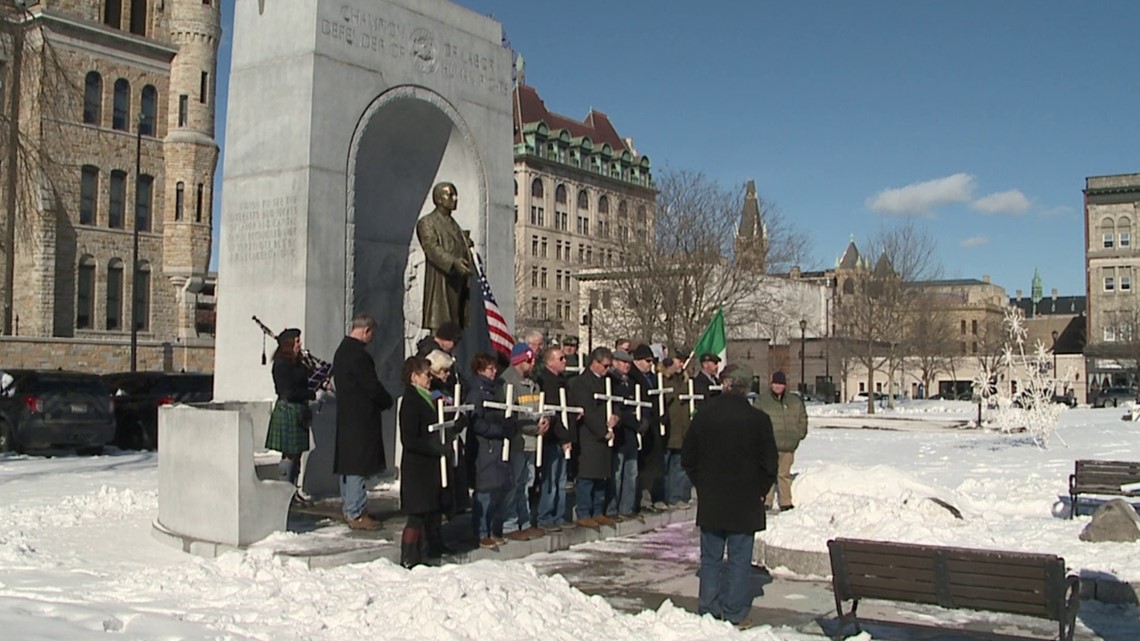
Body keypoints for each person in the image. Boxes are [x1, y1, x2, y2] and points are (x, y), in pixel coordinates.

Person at [682, 365, 778, 629]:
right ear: (747, 388)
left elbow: (688, 457)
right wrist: (761, 490)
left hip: (713, 498)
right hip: (746, 500)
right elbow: (770, 463)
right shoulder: (759, 420)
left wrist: (702, 484)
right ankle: (734, 612)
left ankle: (708, 609)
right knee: (739, 560)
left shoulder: (704, 415)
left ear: (725, 384)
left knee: (711, 558)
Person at [332, 313, 393, 531]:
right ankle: (356, 512)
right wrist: (386, 400)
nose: (372, 338)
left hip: (347, 414)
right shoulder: (358, 355)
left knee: (348, 464)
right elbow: (371, 385)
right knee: (357, 465)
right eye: (372, 334)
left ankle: (350, 508)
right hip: (361, 417)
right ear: (366, 330)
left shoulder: (342, 351)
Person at [398, 355, 457, 567]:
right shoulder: (411, 401)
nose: (430, 378)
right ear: (414, 377)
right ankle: (408, 556)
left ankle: (430, 548)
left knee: (432, 511)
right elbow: (409, 439)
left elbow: (438, 424)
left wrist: (455, 425)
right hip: (417, 467)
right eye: (426, 375)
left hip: (430, 466)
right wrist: (434, 447)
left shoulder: (428, 397)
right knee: (417, 514)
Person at [499, 342, 549, 541]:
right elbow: (512, 415)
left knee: (526, 483)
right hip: (518, 441)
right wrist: (532, 428)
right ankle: (509, 524)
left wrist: (544, 421)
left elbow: (537, 408)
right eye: (530, 360)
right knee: (513, 484)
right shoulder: (508, 383)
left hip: (533, 442)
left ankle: (525, 521)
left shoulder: (533, 384)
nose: (533, 363)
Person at [466, 353, 514, 548]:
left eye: (495, 368)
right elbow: (476, 422)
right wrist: (498, 430)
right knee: (484, 490)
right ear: (480, 370)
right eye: (490, 369)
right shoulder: (476, 391)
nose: (494, 372)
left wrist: (508, 424)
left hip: (496, 447)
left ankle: (492, 529)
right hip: (484, 447)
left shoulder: (496, 389)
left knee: (496, 490)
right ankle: (480, 531)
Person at [568, 347, 619, 528]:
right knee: (587, 477)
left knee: (601, 476)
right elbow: (587, 411)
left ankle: (598, 511)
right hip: (589, 436)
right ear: (595, 363)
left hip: (606, 433)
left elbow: (615, 402)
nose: (607, 370)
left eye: (609, 366)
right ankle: (584, 512)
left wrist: (616, 417)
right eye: (605, 366)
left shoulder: (608, 381)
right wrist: (602, 431)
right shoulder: (581, 383)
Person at [264, 327, 315, 506]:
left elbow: (305, 379)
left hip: (298, 410)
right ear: (288, 343)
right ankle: (285, 495)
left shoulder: (297, 362)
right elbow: (288, 390)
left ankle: (293, 491)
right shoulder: (282, 364)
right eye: (297, 341)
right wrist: (310, 394)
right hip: (288, 409)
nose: (300, 344)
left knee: (296, 454)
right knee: (289, 454)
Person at [415, 182, 472, 332]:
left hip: (458, 284)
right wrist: (454, 262)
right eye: (450, 195)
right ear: (439, 199)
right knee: (441, 326)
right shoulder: (427, 222)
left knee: (455, 326)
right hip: (441, 283)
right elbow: (431, 248)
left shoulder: (455, 225)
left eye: (456, 195)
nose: (455, 198)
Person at [754, 371, 808, 512]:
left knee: (784, 474)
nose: (778, 386)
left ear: (785, 385)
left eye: (781, 384)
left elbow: (803, 418)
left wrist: (799, 434)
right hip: (768, 445)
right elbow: (755, 419)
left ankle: (785, 501)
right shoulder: (762, 400)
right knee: (768, 473)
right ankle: (766, 500)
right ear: (771, 384)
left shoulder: (794, 401)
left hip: (788, 444)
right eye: (776, 383)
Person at [605, 349, 646, 520]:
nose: (626, 366)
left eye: (629, 363)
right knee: (616, 473)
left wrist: (643, 421)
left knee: (631, 472)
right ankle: (612, 509)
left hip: (631, 435)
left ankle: (627, 508)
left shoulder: (631, 382)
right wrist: (635, 422)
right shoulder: (611, 381)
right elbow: (619, 408)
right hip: (620, 433)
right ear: (615, 362)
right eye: (623, 362)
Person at [536, 345, 573, 531]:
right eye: (561, 358)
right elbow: (553, 413)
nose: (565, 361)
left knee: (561, 480)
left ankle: (559, 515)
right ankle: (545, 516)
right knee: (550, 479)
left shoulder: (562, 381)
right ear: (550, 361)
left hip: (562, 436)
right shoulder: (546, 381)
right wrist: (564, 436)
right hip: (552, 437)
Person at [630, 344, 665, 512]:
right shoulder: (633, 377)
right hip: (641, 424)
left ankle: (649, 496)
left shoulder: (653, 378)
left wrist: (662, 415)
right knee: (640, 465)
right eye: (647, 361)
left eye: (652, 361)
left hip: (653, 424)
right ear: (637, 361)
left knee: (652, 464)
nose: (650, 364)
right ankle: (638, 499)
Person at [662, 357, 693, 508]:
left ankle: (677, 497)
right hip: (668, 429)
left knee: (679, 466)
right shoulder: (663, 380)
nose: (681, 364)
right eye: (678, 361)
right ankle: (664, 497)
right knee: (664, 467)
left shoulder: (685, 381)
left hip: (682, 430)